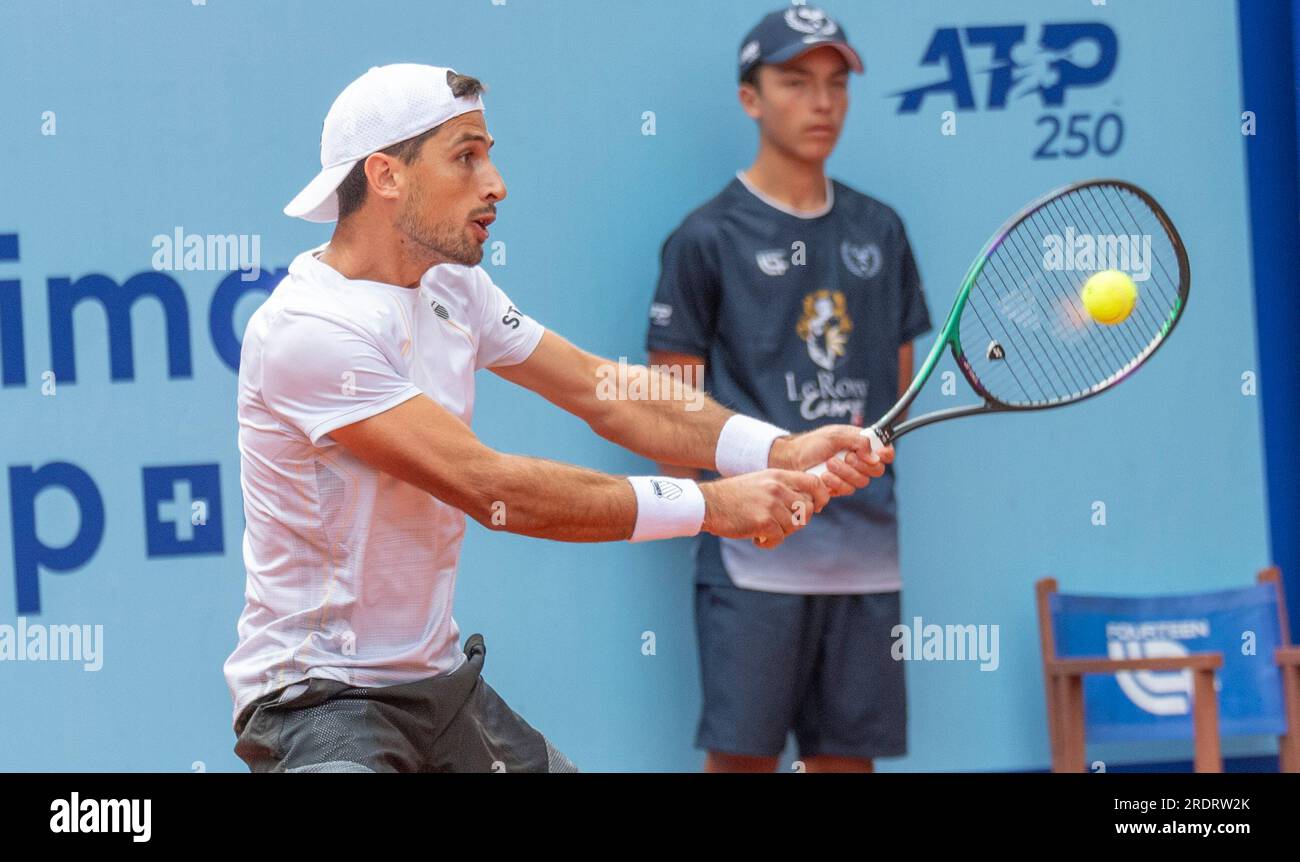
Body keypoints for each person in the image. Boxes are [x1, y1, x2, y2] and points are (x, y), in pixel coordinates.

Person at [223, 63, 891, 773]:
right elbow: (491, 489)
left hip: (439, 685)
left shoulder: (454, 284)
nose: (496, 183)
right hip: (319, 701)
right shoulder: (310, 330)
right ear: (386, 176)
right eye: (466, 156)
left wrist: (774, 450)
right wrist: (710, 503)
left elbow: (604, 390)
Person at [645, 6, 932, 773]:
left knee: (847, 763)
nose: (823, 102)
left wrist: (863, 468)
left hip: (865, 552)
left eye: (837, 83)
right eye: (797, 82)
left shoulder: (883, 230)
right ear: (751, 97)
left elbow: (893, 408)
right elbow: (670, 414)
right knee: (743, 762)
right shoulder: (705, 238)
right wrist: (713, 513)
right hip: (750, 556)